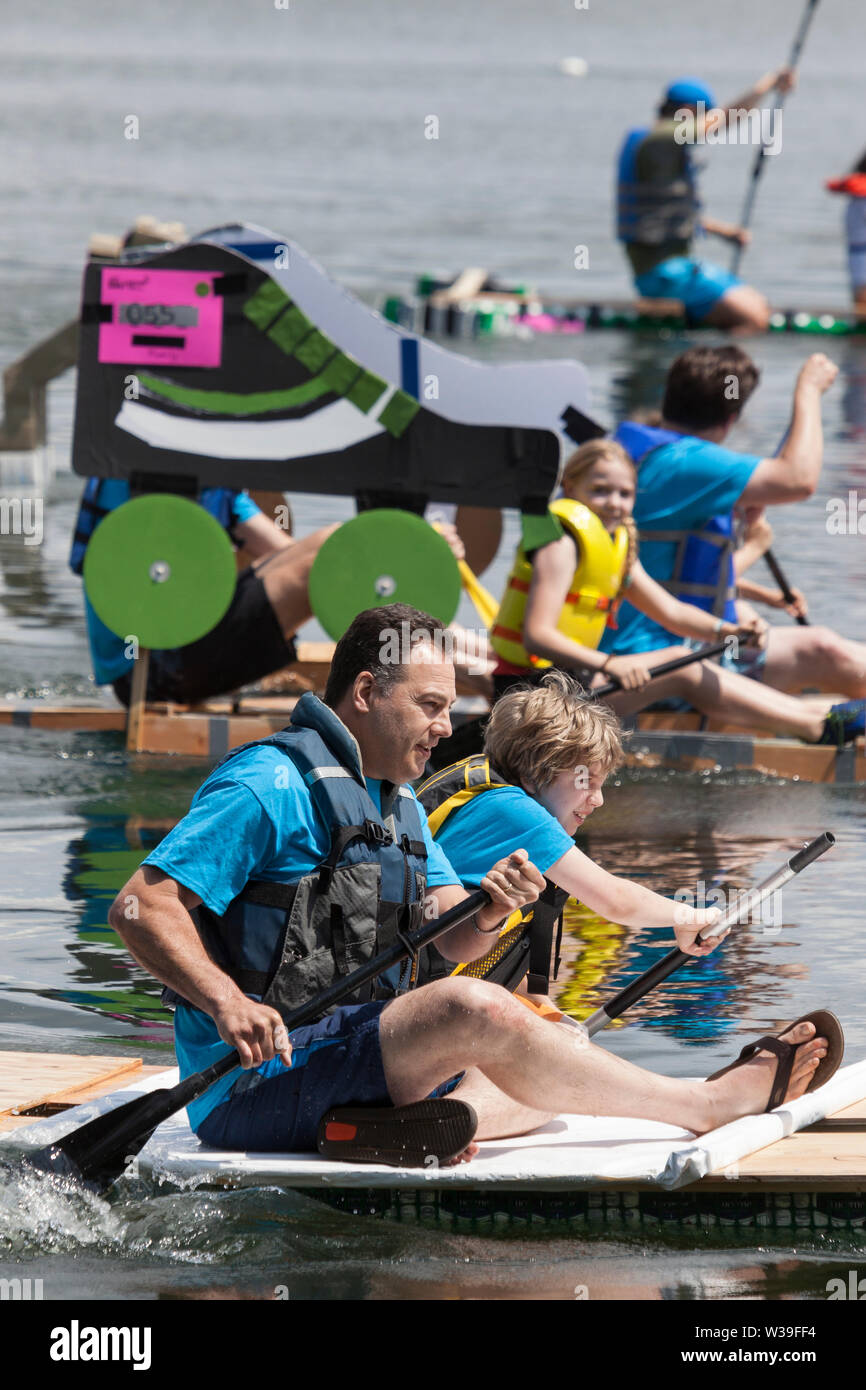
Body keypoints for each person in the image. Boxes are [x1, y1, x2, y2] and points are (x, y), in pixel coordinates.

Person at [109, 605, 839, 1165]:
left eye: (449, 707)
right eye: (430, 705)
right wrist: (225, 1000)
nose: (446, 726)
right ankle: (705, 1105)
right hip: (250, 1085)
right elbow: (142, 905)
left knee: (539, 1031)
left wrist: (494, 907)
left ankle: (373, 1129)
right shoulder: (268, 784)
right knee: (471, 1008)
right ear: (366, 692)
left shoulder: (396, 803)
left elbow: (452, 935)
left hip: (348, 1054)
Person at [489, 439, 862, 744]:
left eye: (625, 493)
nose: (614, 503)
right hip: (532, 694)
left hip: (573, 681)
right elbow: (537, 636)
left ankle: (813, 716)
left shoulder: (614, 547)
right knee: (683, 671)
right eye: (600, 491)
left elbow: (671, 611)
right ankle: (814, 727)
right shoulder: (562, 545)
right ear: (569, 488)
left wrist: (725, 631)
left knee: (681, 655)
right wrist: (610, 663)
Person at [604, 345, 866, 742]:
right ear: (732, 417)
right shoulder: (687, 463)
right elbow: (797, 480)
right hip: (656, 658)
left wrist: (745, 602)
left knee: (826, 647)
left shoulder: (637, 453)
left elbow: (671, 577)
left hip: (696, 639)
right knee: (826, 652)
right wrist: (808, 391)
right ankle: (821, 726)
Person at [70, 477, 337, 707]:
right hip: (148, 667)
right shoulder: (132, 478)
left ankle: (362, 673)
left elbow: (282, 549)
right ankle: (368, 688)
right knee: (316, 569)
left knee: (336, 544)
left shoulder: (211, 481)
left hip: (189, 636)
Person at [616, 70, 794, 331]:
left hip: (671, 269)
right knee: (753, 317)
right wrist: (768, 85)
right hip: (662, 273)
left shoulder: (656, 146)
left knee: (758, 304)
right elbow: (725, 120)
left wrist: (725, 232)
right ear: (688, 111)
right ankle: (723, 370)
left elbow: (666, 212)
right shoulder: (661, 138)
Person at [826, 150, 866, 313]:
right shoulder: (858, 185)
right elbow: (832, 184)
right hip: (858, 250)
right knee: (860, 296)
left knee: (861, 295)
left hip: (860, 251)